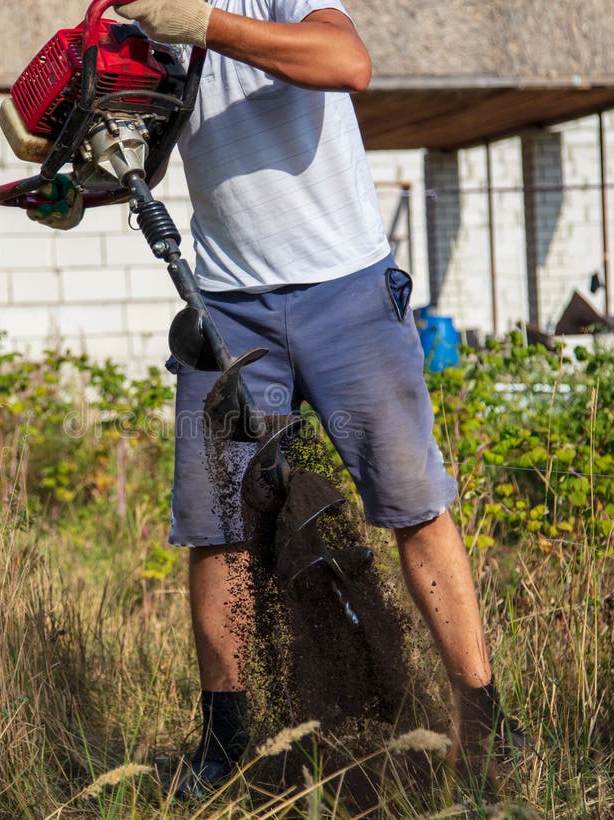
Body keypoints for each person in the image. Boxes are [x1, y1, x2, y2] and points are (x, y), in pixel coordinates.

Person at [27, 0, 524, 797]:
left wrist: (203, 23)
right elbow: (145, 160)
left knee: (412, 504)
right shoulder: (150, 32)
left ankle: (487, 723)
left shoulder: (263, 2)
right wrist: (78, 196)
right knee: (219, 527)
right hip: (224, 302)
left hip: (349, 293)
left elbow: (345, 64)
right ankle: (223, 746)